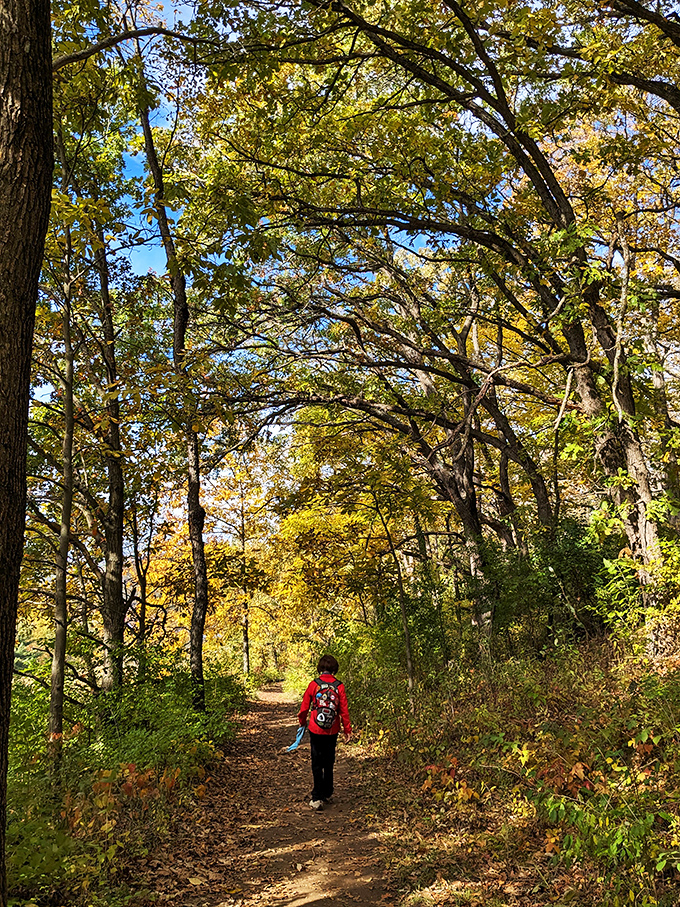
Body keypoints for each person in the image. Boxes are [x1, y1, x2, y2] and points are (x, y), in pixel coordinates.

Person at [298, 654, 352, 811]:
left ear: (320, 668)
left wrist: (302, 722)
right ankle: (327, 791)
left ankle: (317, 796)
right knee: (329, 761)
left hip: (315, 728)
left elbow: (304, 708)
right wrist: (347, 729)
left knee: (316, 762)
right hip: (332, 729)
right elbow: (344, 711)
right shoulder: (339, 686)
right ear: (334, 669)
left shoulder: (313, 685)